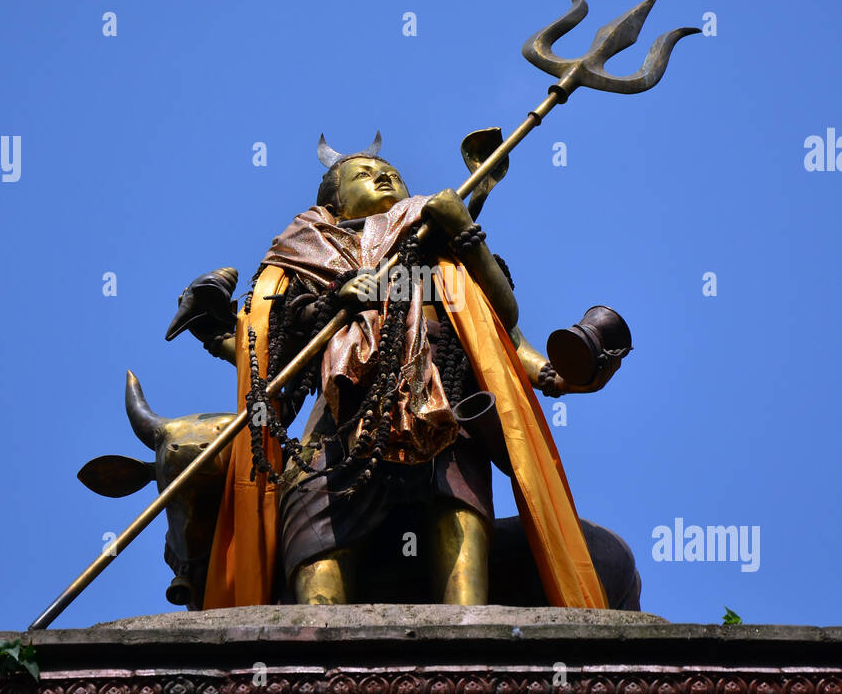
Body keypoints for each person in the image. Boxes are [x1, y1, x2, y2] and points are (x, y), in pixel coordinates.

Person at [174, 135, 630, 611]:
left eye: (390, 170)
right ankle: (314, 649)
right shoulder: (303, 257)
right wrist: (331, 301)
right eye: (363, 175)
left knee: (459, 517)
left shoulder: (438, 242)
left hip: (443, 404)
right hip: (344, 417)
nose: (383, 176)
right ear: (333, 201)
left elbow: (504, 331)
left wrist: (559, 373)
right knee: (311, 523)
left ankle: (467, 643)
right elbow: (275, 354)